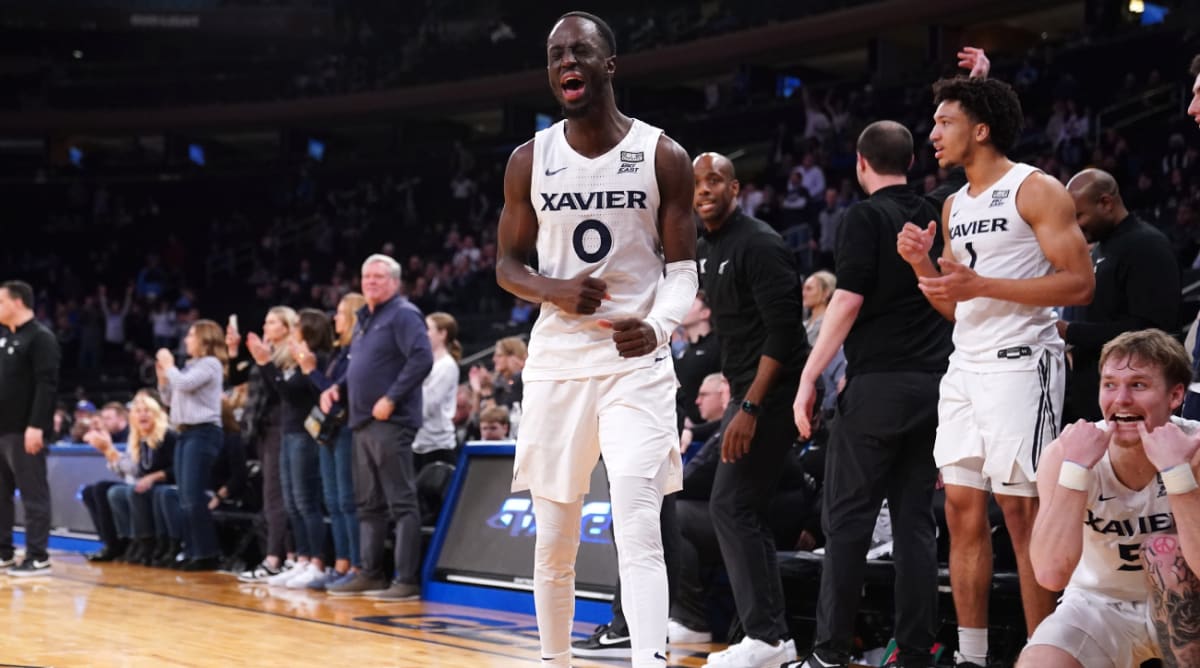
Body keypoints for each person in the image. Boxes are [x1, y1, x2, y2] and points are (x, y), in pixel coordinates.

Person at [494, 11, 697, 668]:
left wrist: (660, 325)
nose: (566, 64)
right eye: (555, 56)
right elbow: (507, 266)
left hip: (635, 365)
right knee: (554, 539)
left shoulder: (663, 154)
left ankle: (649, 662)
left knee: (638, 523)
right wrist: (553, 290)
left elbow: (683, 273)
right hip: (557, 365)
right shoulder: (529, 160)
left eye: (579, 52)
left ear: (609, 64)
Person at [897, 76, 1095, 666]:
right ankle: (973, 656)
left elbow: (1081, 284)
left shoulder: (1035, 188)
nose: (932, 135)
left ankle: (1043, 653)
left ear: (980, 130)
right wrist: (920, 264)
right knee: (961, 508)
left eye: (944, 122)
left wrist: (981, 283)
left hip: (1021, 365)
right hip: (966, 365)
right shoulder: (954, 204)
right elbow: (955, 304)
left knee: (1021, 510)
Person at [789, 121, 954, 668]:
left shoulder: (863, 216)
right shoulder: (935, 209)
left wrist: (809, 376)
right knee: (915, 524)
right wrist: (981, 87)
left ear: (861, 164)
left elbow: (847, 301)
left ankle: (830, 653)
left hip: (879, 387)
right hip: (936, 387)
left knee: (848, 521)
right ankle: (914, 651)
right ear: (910, 160)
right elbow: (960, 171)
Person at [1019, 329, 1200, 667]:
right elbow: (1049, 574)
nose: (1122, 400)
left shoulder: (1195, 449)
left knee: (1166, 556)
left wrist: (1178, 475)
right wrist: (1075, 473)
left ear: (1175, 395)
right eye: (1110, 385)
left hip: (1189, 605)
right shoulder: (1066, 453)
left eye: (1138, 385)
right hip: (1098, 603)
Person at [693, 151, 806, 667]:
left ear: (735, 188)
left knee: (732, 506)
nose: (703, 190)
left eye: (714, 180)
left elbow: (785, 334)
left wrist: (750, 406)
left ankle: (768, 637)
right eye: (696, 183)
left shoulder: (761, 244)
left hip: (772, 394)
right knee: (741, 508)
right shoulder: (703, 247)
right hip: (745, 391)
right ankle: (766, 636)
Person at [322, 254, 433, 601]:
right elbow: (361, 366)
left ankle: (406, 580)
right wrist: (337, 387)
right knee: (368, 504)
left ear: (395, 282)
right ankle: (370, 574)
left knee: (401, 504)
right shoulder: (365, 320)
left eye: (379, 277)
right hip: (362, 423)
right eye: (366, 276)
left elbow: (422, 358)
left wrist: (391, 397)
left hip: (390, 421)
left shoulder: (403, 314)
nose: (370, 281)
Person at [1059, 168, 1179, 423]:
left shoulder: (1146, 245)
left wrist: (1070, 332)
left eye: (1079, 215)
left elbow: (1150, 328)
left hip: (1130, 402)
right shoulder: (1100, 247)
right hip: (1093, 395)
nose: (1075, 225)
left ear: (1106, 203)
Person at [251, 308, 331, 589]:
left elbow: (292, 393)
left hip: (304, 435)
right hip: (288, 433)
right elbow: (281, 391)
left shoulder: (316, 360)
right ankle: (302, 559)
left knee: (306, 502)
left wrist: (265, 363)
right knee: (294, 503)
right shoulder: (296, 361)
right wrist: (265, 363)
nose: (293, 329)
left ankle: (317, 562)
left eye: (297, 325)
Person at [302, 292, 365, 591]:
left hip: (346, 429)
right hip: (328, 433)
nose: (335, 318)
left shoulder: (357, 351)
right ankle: (340, 562)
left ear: (353, 316)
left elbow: (337, 394)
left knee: (346, 500)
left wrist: (310, 371)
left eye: (340, 313)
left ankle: (356, 564)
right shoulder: (340, 352)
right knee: (332, 500)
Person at [0, 280, 60, 576]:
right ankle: (3, 551)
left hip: (24, 430)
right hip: (1, 430)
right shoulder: (4, 337)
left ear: (18, 302)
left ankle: (38, 555)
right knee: (0, 495)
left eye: (0, 302)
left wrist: (36, 425)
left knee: (33, 493)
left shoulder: (40, 338)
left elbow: (46, 386)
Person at [156, 319, 226, 571]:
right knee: (184, 496)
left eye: (191, 336)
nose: (186, 340)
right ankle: (192, 550)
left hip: (204, 431)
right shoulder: (187, 367)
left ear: (204, 339)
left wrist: (169, 365)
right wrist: (162, 377)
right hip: (185, 433)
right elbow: (169, 399)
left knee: (194, 496)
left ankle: (207, 552)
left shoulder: (211, 364)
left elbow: (184, 385)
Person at [95, 391, 177, 566]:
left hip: (169, 483)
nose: (142, 415)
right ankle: (130, 540)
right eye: (138, 411)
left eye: (147, 411)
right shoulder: (139, 439)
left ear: (156, 414)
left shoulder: (168, 435)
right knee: (115, 492)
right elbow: (132, 471)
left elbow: (177, 469)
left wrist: (153, 477)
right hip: (146, 485)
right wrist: (109, 452)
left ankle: (153, 542)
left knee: (135, 492)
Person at [413, 312, 462, 470]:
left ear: (442, 334)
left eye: (428, 329)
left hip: (437, 444)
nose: (423, 333)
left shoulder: (446, 366)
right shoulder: (423, 361)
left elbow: (428, 405)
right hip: (419, 440)